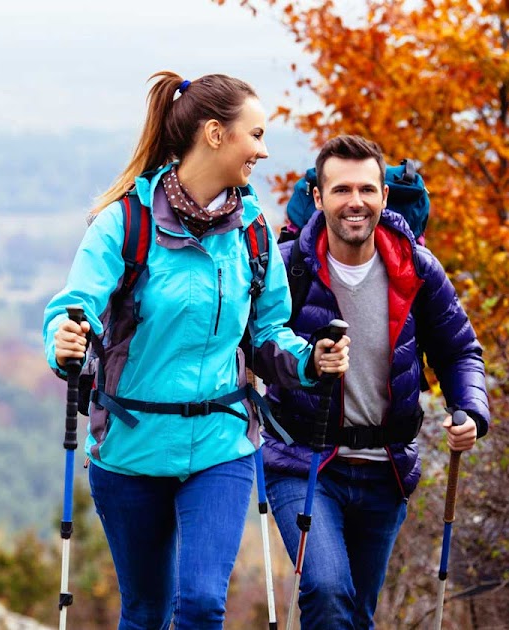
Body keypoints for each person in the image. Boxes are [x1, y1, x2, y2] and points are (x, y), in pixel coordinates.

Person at [43, 71, 347, 629]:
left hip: (220, 443)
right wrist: (65, 340)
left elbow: (267, 333)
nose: (263, 150)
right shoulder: (125, 224)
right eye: (255, 135)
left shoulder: (253, 231)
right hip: (130, 447)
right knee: (146, 610)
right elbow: (75, 307)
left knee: (203, 603)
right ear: (214, 133)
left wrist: (310, 360)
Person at [260, 134, 490, 629]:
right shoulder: (290, 267)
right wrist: (303, 362)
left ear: (385, 195)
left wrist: (470, 410)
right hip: (303, 461)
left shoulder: (416, 268)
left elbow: (459, 351)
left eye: (367, 189)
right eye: (341, 190)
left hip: (386, 468)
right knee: (327, 590)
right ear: (318, 198)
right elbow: (255, 345)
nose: (356, 201)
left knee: (357, 614)